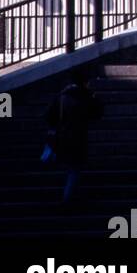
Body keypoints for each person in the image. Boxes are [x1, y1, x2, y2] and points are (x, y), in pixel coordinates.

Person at [45, 76, 102, 205]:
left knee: (71, 169)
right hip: (78, 138)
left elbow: (48, 116)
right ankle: (68, 199)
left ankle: (70, 196)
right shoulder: (84, 97)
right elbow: (97, 113)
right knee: (74, 169)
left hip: (63, 138)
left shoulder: (61, 97)